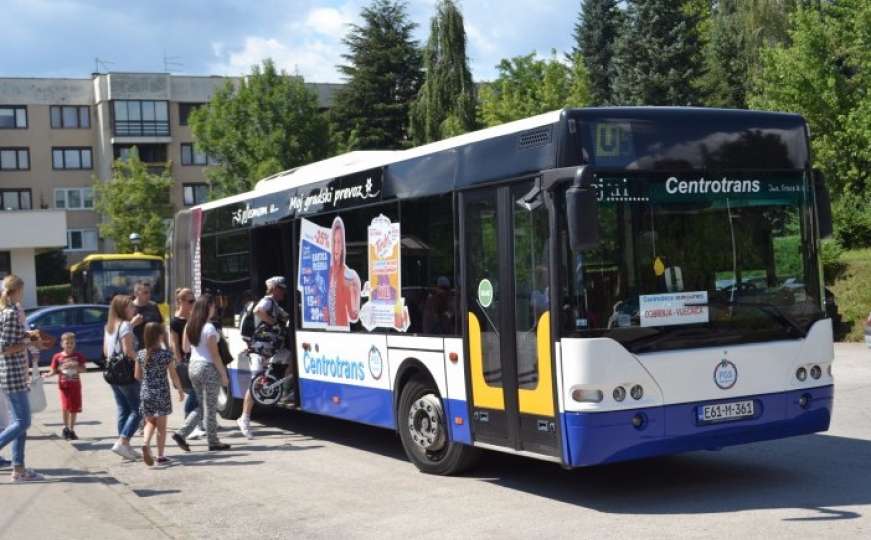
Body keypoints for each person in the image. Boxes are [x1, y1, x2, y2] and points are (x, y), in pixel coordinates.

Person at [172, 294, 231, 452]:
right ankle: (211, 441)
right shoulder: (209, 327)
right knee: (210, 407)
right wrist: (223, 374)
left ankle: (184, 434)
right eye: (213, 306)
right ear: (208, 308)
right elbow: (215, 354)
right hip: (208, 368)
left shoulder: (189, 325)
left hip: (193, 367)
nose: (214, 309)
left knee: (201, 405)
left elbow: (185, 348)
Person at [0, 275, 43, 481]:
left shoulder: (12, 312)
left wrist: (31, 336)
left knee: (20, 422)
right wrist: (27, 342)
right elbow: (5, 348)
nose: (22, 295)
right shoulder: (9, 314)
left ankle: (18, 469)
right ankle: (18, 469)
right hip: (12, 374)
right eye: (21, 291)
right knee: (22, 422)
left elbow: (15, 340)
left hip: (16, 373)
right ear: (15, 291)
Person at [237, 276, 289, 439]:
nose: (284, 292)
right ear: (274, 288)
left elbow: (286, 317)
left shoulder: (275, 304)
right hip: (259, 350)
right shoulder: (267, 301)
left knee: (290, 357)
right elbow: (257, 311)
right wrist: (273, 322)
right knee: (256, 383)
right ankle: (244, 418)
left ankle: (286, 390)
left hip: (269, 350)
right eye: (281, 288)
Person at [135, 322, 184, 466]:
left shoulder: (141, 354)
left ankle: (145, 443)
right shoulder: (166, 355)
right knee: (161, 427)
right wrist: (180, 389)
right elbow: (173, 375)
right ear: (160, 336)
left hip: (146, 392)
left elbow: (137, 376)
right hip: (162, 393)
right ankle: (160, 456)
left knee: (150, 421)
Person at [104, 294, 142, 460]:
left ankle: (124, 446)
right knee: (138, 409)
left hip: (113, 372)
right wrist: (143, 362)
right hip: (127, 373)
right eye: (130, 306)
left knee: (123, 409)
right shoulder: (125, 325)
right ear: (122, 308)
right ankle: (123, 441)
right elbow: (128, 351)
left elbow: (106, 351)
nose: (133, 308)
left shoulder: (110, 326)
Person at [169, 288, 205, 440]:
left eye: (194, 300)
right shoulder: (175, 321)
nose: (193, 303)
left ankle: (196, 423)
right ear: (180, 302)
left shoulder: (193, 317)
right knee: (195, 393)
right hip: (186, 361)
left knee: (197, 393)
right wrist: (179, 363)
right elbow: (174, 344)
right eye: (190, 301)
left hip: (197, 358)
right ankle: (189, 425)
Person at [43, 332, 87, 440]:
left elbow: (84, 369)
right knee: (65, 407)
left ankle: (72, 429)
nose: (69, 345)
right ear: (62, 344)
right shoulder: (57, 357)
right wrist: (47, 375)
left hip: (75, 386)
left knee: (74, 408)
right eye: (67, 343)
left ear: (75, 344)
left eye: (72, 343)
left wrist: (76, 366)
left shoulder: (78, 356)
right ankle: (65, 427)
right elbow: (53, 370)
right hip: (64, 386)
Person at [326, 217, 361, 329]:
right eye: (334, 241)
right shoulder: (326, 272)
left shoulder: (349, 275)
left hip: (341, 333)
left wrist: (352, 289)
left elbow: (353, 315)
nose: (336, 247)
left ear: (343, 246)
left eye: (339, 242)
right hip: (325, 332)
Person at [131, 281, 163, 350]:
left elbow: (161, 327)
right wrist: (132, 324)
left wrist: (167, 346)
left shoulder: (153, 306)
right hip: (136, 350)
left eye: (149, 292)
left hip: (154, 349)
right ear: (136, 294)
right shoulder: (129, 308)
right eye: (145, 292)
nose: (149, 295)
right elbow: (122, 331)